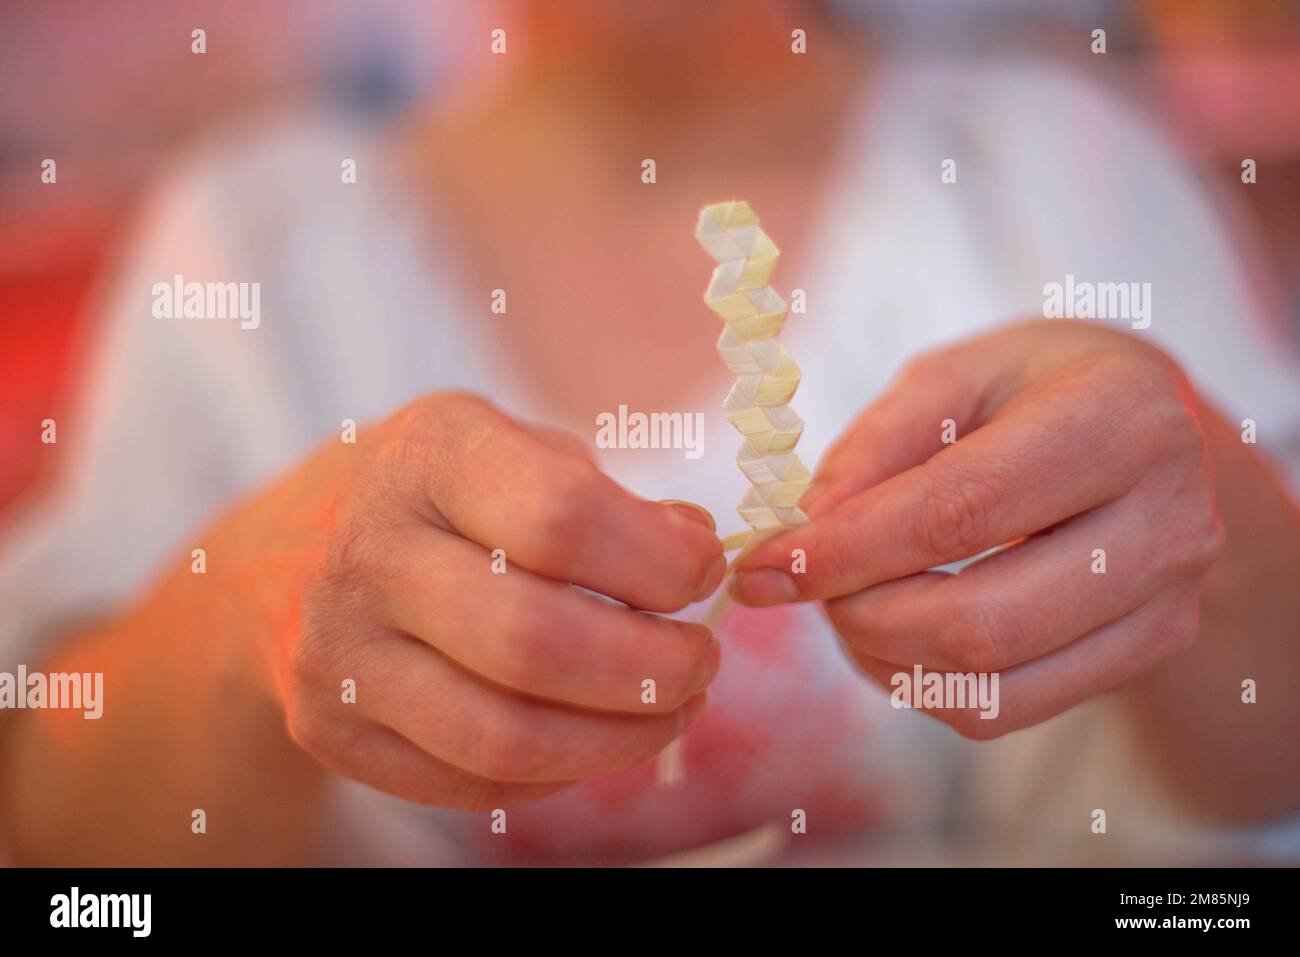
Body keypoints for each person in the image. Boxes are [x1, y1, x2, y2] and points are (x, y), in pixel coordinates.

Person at [2, 2, 1298, 866]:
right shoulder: (250, 240)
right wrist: (246, 622)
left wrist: (1217, 526)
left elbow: (1271, 769)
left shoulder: (1054, 171)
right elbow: (59, 850)